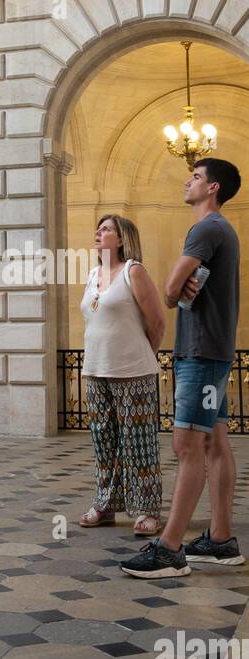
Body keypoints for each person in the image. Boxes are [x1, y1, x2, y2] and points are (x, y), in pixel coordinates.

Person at [122, 158, 244, 578]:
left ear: (212, 188)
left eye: (195, 177)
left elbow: (172, 288)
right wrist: (181, 287)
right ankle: (222, 540)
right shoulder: (222, 230)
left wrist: (175, 293)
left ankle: (170, 548)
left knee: (186, 445)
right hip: (214, 350)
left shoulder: (207, 228)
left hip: (201, 352)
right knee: (214, 443)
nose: (187, 181)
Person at [79, 215, 165, 536]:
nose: (98, 232)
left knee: (137, 442)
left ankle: (147, 510)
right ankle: (105, 504)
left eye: (106, 229)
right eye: (98, 228)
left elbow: (157, 322)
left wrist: (143, 356)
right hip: (96, 369)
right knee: (104, 440)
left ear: (122, 238)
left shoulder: (133, 271)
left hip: (133, 371)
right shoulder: (92, 274)